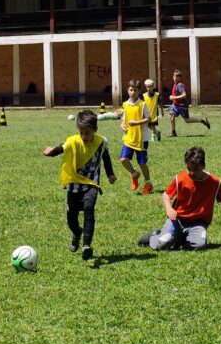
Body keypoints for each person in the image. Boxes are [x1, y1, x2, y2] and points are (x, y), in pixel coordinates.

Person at [44, 107, 116, 266]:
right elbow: (61, 148)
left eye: (87, 133)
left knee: (89, 208)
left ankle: (86, 245)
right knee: (71, 218)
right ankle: (77, 234)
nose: (84, 136)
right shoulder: (73, 140)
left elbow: (106, 157)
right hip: (73, 184)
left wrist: (110, 173)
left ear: (95, 130)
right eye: (81, 132)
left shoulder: (101, 142)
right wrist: (51, 152)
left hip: (91, 184)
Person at [137, 144, 221, 251]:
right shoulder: (180, 179)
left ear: (204, 165)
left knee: (199, 245)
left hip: (198, 224)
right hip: (177, 220)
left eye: (195, 169)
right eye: (189, 169)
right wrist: (169, 209)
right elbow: (166, 196)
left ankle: (179, 239)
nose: (192, 173)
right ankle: (154, 236)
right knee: (162, 244)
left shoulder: (215, 182)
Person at [118, 78, 152, 194]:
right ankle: (134, 173)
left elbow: (149, 118)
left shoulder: (142, 105)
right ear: (128, 90)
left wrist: (136, 123)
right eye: (131, 90)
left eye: (135, 90)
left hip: (141, 139)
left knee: (142, 163)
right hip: (128, 137)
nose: (133, 92)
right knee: (123, 159)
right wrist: (123, 125)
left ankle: (148, 184)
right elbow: (124, 118)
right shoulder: (125, 104)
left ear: (139, 92)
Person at [166, 67, 211, 137]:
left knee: (187, 120)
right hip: (176, 105)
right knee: (171, 117)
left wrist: (173, 97)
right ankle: (173, 132)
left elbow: (184, 95)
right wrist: (173, 100)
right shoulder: (175, 85)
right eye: (174, 76)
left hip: (182, 106)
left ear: (180, 78)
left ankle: (202, 120)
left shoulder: (180, 85)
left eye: (177, 77)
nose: (175, 78)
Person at [142, 77, 163, 142]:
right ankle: (157, 132)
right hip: (146, 113)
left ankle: (153, 137)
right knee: (148, 126)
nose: (149, 88)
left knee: (153, 125)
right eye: (147, 87)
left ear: (153, 86)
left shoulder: (157, 95)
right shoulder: (144, 95)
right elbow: (142, 105)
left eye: (150, 87)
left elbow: (160, 103)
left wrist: (162, 110)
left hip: (154, 113)